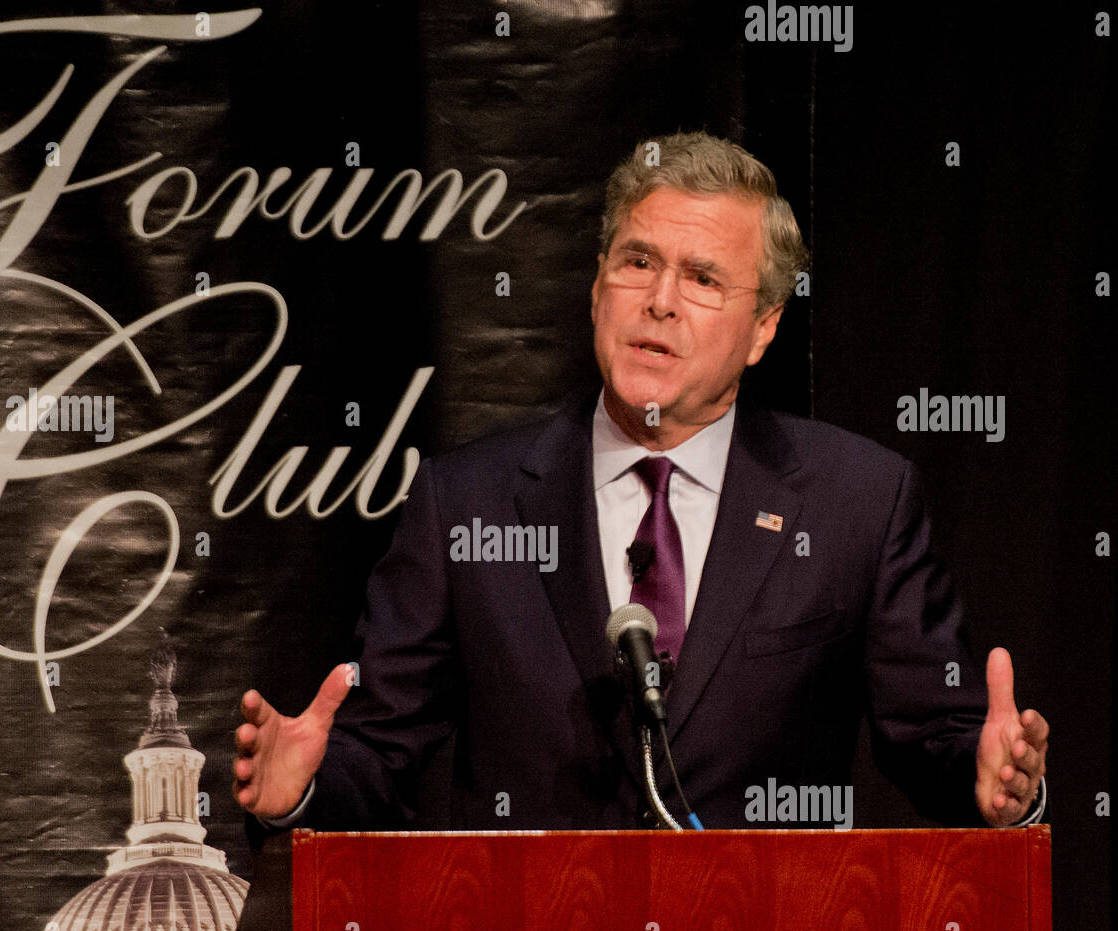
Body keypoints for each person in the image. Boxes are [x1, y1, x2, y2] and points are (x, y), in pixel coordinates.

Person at [231, 132, 1048, 833]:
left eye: (702, 279)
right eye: (638, 261)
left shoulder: (857, 501)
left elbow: (939, 740)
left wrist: (998, 786)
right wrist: (301, 790)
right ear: (596, 290)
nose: (659, 301)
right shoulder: (467, 503)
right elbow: (380, 750)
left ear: (763, 327)